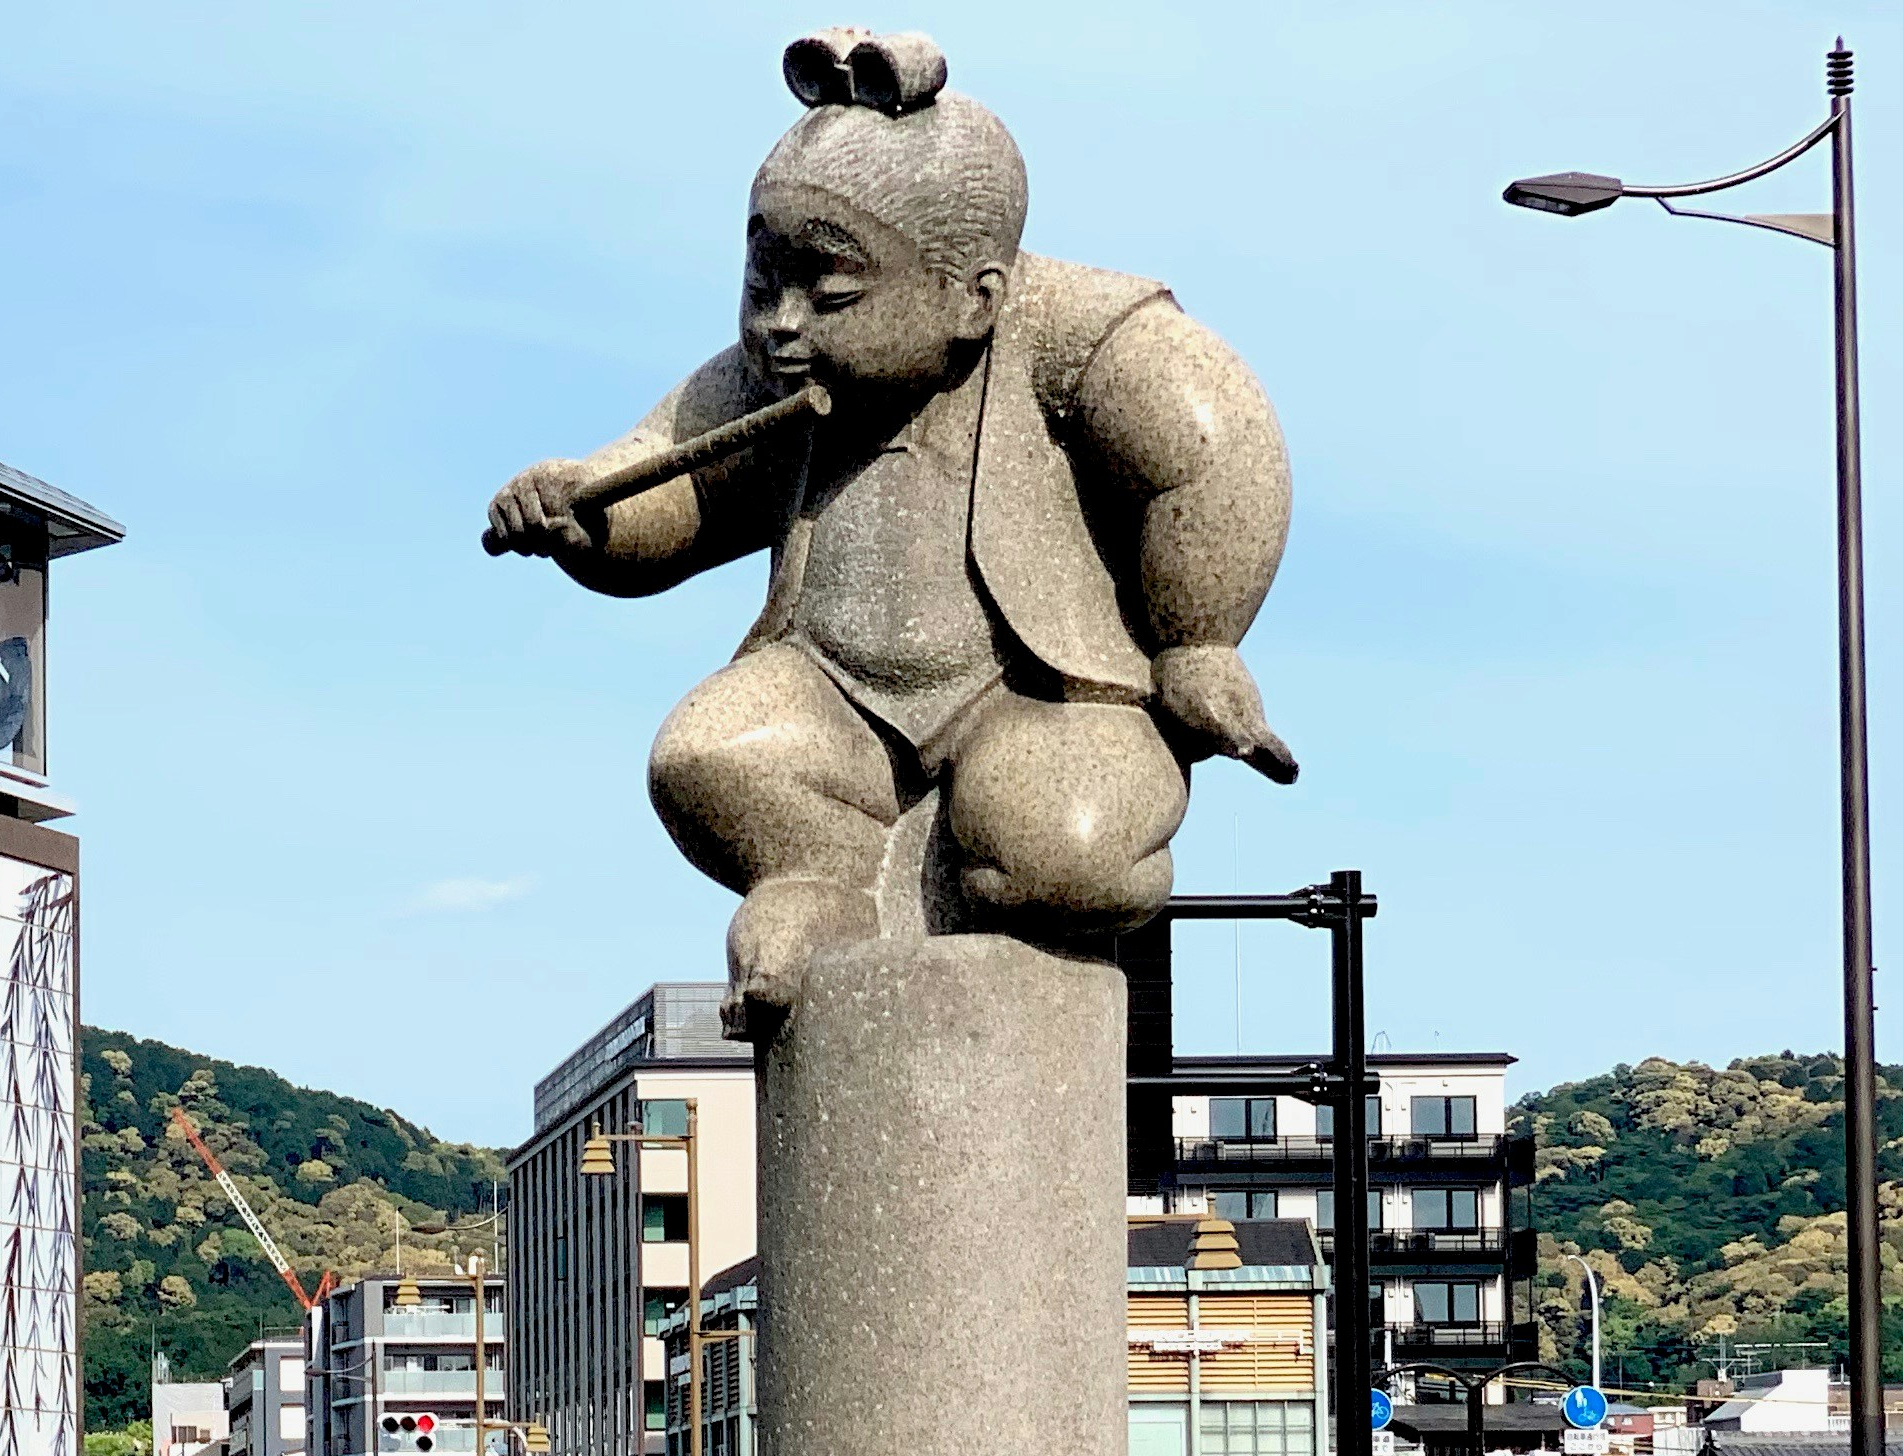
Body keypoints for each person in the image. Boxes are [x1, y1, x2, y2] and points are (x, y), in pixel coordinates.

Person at [483, 29, 1294, 1008]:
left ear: (973, 297)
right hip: (829, 686)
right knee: (707, 758)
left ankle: (989, 859)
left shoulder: (1076, 334)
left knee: (1059, 852)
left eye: (831, 293)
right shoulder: (770, 381)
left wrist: (1198, 638)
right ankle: (829, 879)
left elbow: (1211, 454)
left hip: (1040, 690)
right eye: (760, 287)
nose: (782, 323)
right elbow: (675, 482)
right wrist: (583, 511)